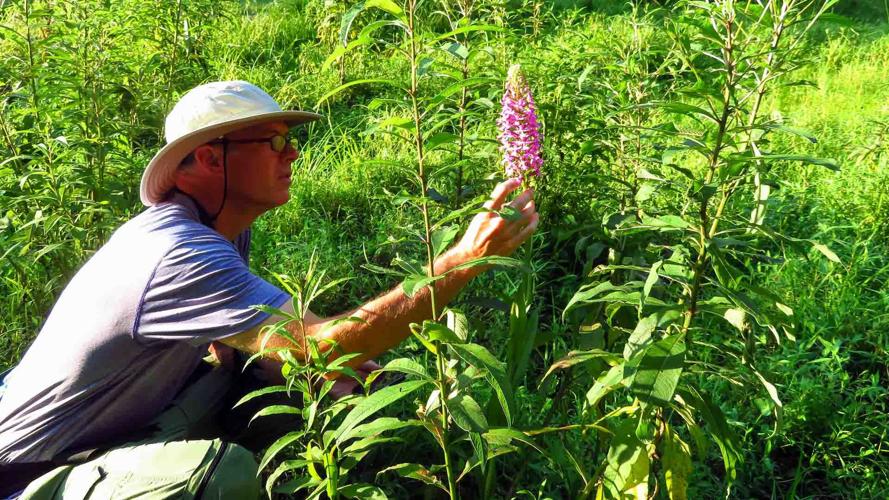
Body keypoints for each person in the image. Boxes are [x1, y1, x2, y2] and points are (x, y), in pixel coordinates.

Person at [0, 80, 538, 498]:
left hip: (120, 425)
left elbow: (254, 345)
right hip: (30, 473)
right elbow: (316, 347)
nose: (293, 154)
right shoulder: (175, 253)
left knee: (305, 382)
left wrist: (316, 366)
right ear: (211, 159)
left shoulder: (218, 225)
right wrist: (463, 260)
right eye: (275, 141)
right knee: (220, 475)